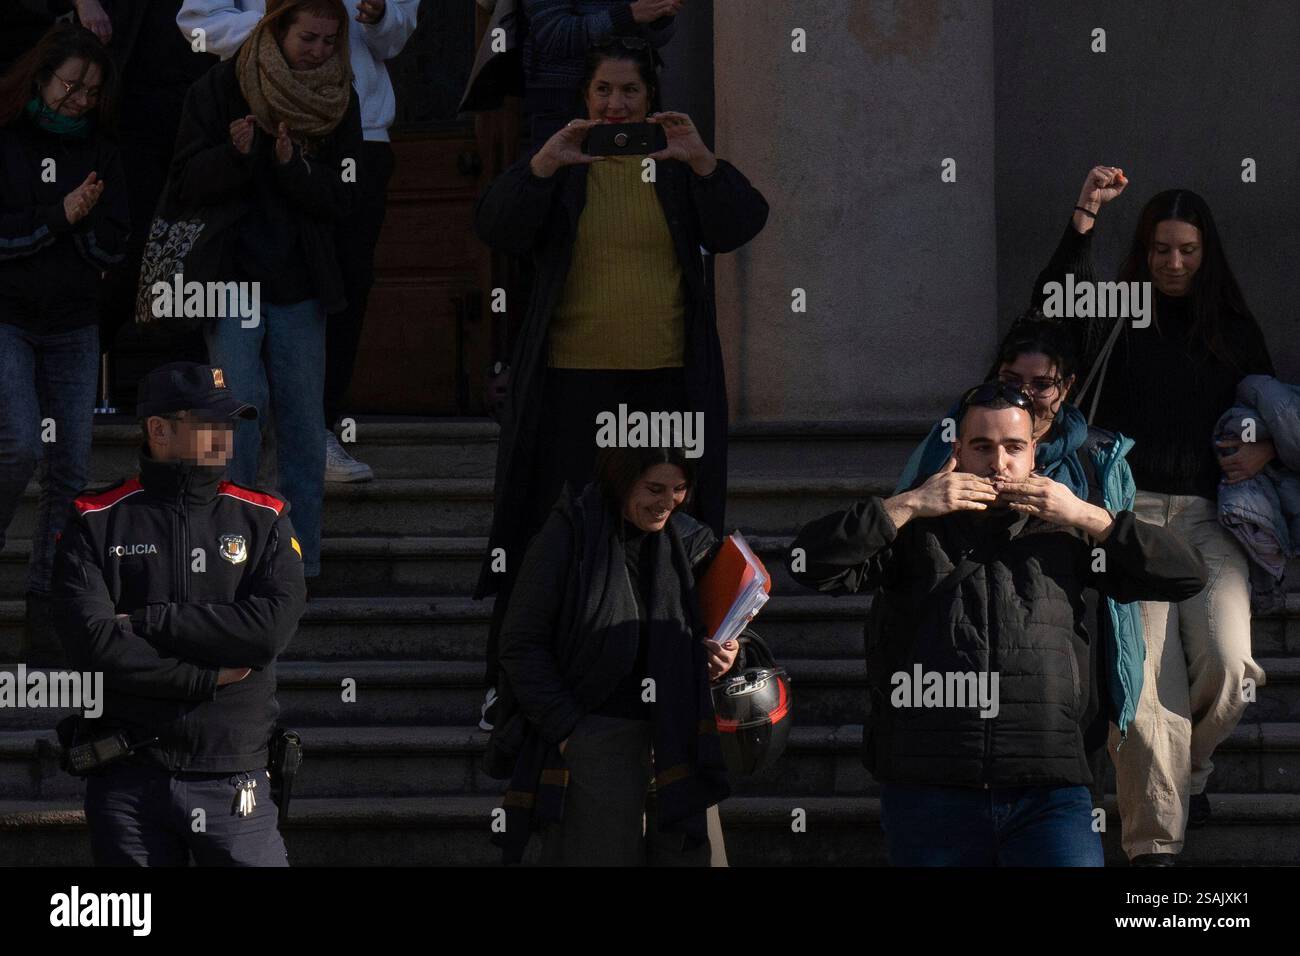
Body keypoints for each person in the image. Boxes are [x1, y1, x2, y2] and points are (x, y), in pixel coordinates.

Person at [472, 37, 768, 728]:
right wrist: (544, 163)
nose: (615, 104)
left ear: (650, 99)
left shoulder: (673, 170)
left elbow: (741, 223)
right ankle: (513, 683)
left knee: (664, 531)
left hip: (663, 385)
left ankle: (671, 670)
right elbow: (497, 225)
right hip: (569, 387)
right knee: (552, 533)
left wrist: (702, 160)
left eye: (628, 92)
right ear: (584, 98)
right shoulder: (563, 168)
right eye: (603, 91)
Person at [790, 384, 1206, 866]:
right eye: (982, 447)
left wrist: (1088, 515)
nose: (998, 463)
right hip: (931, 787)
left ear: (1034, 454)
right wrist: (906, 505)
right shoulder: (915, 529)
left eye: (1013, 448)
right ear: (958, 451)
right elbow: (807, 563)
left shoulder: (1067, 531)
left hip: (1049, 789)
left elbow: (1187, 575)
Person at [1033, 168, 1275, 865]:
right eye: (1162, 249)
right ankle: (1153, 850)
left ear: (1207, 254)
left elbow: (1260, 411)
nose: (1174, 263)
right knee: (1141, 698)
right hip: (1126, 519)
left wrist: (1258, 453)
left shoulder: (1230, 327)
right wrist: (1083, 216)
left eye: (1188, 251)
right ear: (1144, 250)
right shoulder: (1116, 311)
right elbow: (1051, 309)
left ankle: (1188, 774)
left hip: (1210, 521)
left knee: (1229, 670)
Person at [51, 361, 307, 866]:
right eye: (210, 423)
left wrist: (149, 622)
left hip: (234, 778)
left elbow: (267, 633)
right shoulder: (94, 519)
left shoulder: (265, 516)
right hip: (128, 778)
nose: (226, 437)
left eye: (231, 423)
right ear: (159, 429)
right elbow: (96, 647)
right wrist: (207, 677)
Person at [895, 311, 1145, 805]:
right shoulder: (951, 438)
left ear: (1067, 387)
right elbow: (895, 531)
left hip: (1070, 644)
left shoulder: (1099, 457)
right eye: (1012, 380)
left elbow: (1153, 562)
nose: (1027, 393)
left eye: (1042, 384)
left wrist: (1079, 513)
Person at [177, 0, 419, 482]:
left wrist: (378, 17)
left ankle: (321, 429)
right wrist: (277, 20)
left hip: (357, 127)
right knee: (246, 276)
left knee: (344, 284)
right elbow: (196, 26)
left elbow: (396, 38)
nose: (317, 45)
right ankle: (242, 444)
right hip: (256, 110)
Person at [163, 0, 363, 579]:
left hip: (300, 283)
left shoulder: (338, 95)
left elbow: (343, 197)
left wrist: (291, 165)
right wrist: (237, 154)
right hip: (230, 280)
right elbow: (184, 182)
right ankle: (233, 558)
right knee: (237, 417)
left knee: (302, 425)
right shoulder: (221, 84)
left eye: (330, 40)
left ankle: (298, 563)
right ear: (276, 30)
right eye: (309, 38)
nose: (320, 51)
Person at [487, 445, 737, 865]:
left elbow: (734, 629)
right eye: (654, 488)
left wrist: (729, 653)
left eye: (678, 490)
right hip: (598, 737)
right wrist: (569, 730)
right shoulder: (571, 534)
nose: (666, 503)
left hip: (677, 737)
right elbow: (520, 642)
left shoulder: (692, 541)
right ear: (621, 480)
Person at [0, 22, 129, 665]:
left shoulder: (104, 148)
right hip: (9, 319)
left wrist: (79, 227)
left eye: (90, 90)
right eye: (70, 85)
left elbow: (116, 239)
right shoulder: (9, 141)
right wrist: (61, 216)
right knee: (20, 442)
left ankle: (46, 598)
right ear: (42, 78)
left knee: (72, 468)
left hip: (75, 324)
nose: (79, 98)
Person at [519, 0, 680, 150]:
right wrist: (629, 14)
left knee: (630, 173)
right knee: (555, 172)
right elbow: (552, 32)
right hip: (561, 98)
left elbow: (656, 39)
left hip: (628, 93)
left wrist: (661, 14)